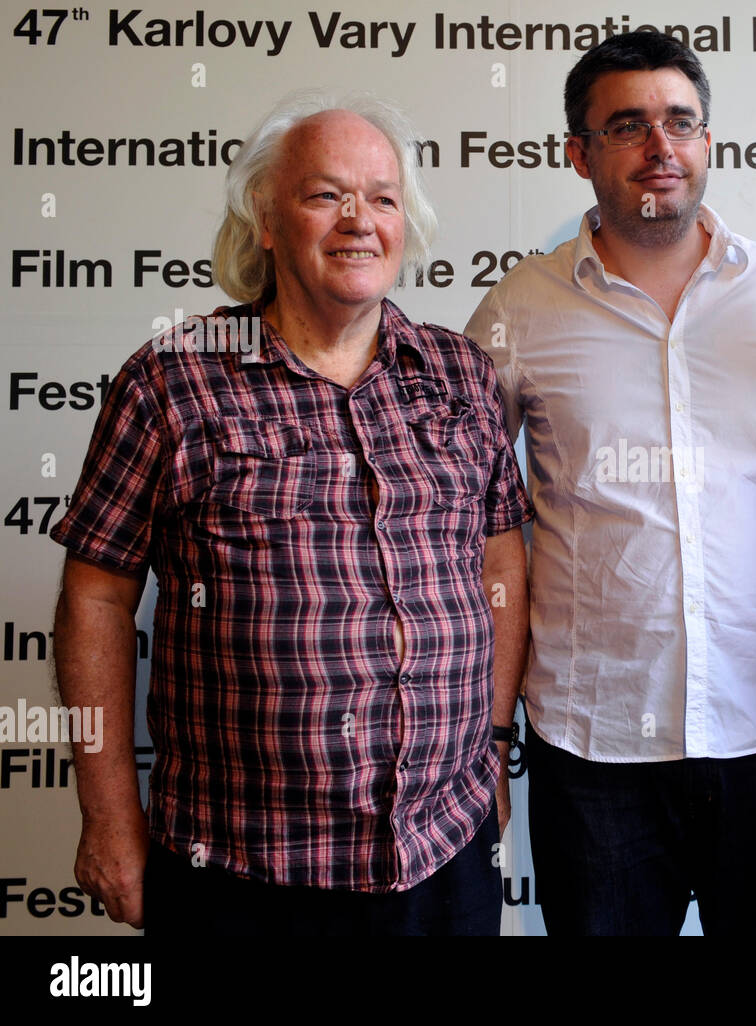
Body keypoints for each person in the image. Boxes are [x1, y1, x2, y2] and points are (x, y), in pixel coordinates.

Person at [50, 92, 532, 936]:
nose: (359, 221)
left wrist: (491, 746)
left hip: (443, 856)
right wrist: (107, 816)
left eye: (382, 198)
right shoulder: (172, 380)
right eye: (324, 195)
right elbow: (94, 598)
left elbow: (499, 563)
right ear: (266, 221)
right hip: (242, 871)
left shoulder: (459, 374)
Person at [465, 30, 756, 935]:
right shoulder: (522, 308)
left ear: (707, 140)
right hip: (593, 748)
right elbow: (460, 505)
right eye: (628, 126)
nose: (660, 147)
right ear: (579, 153)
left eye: (681, 122)